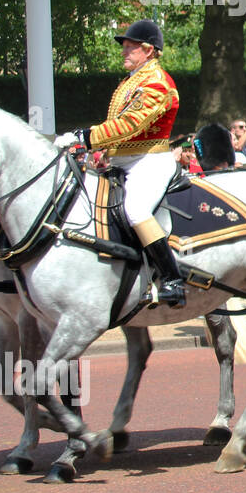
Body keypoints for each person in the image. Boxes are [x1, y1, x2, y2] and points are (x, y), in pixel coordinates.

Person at [55, 20, 186, 308]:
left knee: (135, 211)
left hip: (149, 161)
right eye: (125, 47)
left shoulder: (156, 82)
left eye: (130, 47)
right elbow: (116, 126)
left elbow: (129, 124)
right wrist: (102, 149)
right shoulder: (131, 81)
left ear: (149, 50)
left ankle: (172, 280)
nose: (124, 52)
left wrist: (86, 137)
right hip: (124, 161)